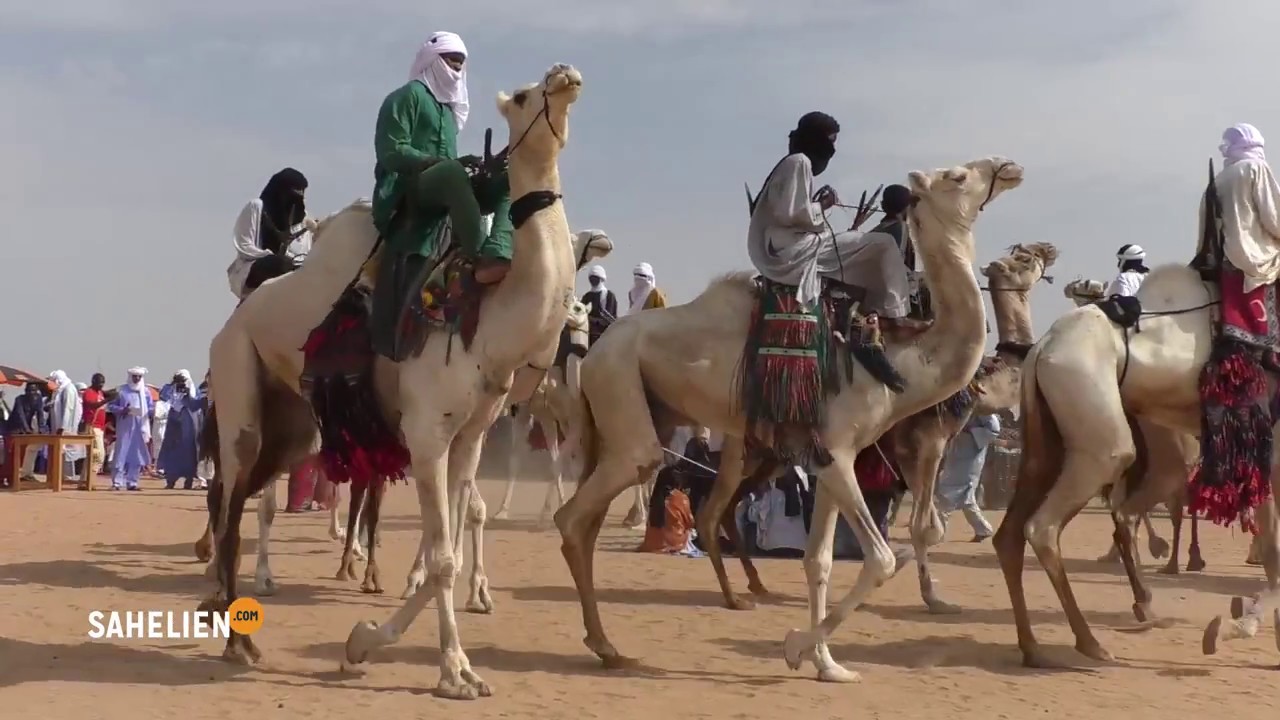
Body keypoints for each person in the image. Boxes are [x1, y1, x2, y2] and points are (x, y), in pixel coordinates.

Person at [370, 30, 513, 361]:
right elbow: (391, 151)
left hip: (443, 184)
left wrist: (472, 166)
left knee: (508, 178)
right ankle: (479, 256)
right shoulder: (407, 97)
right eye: (451, 60)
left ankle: (499, 250)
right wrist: (438, 163)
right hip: (409, 189)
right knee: (451, 173)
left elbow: (449, 165)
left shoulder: (448, 114)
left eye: (461, 63)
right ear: (432, 61)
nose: (456, 68)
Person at [747, 112, 922, 331]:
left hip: (790, 248)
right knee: (884, 244)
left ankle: (874, 311)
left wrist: (818, 206)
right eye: (831, 141)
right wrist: (824, 206)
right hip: (793, 253)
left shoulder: (792, 164)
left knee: (868, 246)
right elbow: (791, 214)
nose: (833, 149)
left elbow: (792, 212)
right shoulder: (799, 162)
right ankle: (894, 314)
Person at [1208, 123, 1280, 354]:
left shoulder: (1220, 178)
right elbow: (1273, 216)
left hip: (1229, 255)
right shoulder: (1255, 168)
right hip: (1257, 252)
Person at [227, 168, 313, 299]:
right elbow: (244, 245)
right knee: (278, 265)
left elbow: (304, 250)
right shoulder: (257, 207)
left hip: (290, 271)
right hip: (254, 267)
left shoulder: (302, 219)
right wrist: (270, 257)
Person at [936, 413, 1002, 541]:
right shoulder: (959, 406)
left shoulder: (984, 411)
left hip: (970, 458)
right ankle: (983, 529)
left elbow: (994, 430)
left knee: (948, 496)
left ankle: (938, 532)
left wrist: (968, 431)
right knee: (967, 499)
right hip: (957, 454)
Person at [107, 367, 154, 491]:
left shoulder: (145, 392)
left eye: (139, 376)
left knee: (137, 454)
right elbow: (111, 406)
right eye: (135, 376)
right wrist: (123, 410)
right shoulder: (121, 390)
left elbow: (150, 408)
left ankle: (132, 482)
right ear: (130, 377)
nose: (137, 379)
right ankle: (117, 482)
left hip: (140, 427)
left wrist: (145, 411)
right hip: (125, 426)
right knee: (121, 452)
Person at [158, 370, 205, 489]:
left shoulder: (195, 391)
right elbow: (163, 396)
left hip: (188, 425)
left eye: (183, 380)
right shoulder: (170, 389)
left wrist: (188, 394)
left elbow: (195, 405)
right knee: (171, 450)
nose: (181, 383)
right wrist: (174, 384)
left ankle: (188, 481)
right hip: (173, 425)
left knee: (189, 451)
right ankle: (170, 480)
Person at [7, 382, 46, 480]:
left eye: (33, 390)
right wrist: (27, 429)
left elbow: (40, 414)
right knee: (13, 453)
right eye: (29, 390)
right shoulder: (19, 399)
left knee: (29, 449)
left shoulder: (38, 399)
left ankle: (26, 474)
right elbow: (21, 415)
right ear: (25, 391)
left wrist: (41, 428)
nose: (31, 393)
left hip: (27, 427)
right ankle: (12, 477)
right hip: (15, 427)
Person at [47, 370, 84, 471]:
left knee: (67, 451)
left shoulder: (69, 389)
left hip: (66, 428)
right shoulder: (59, 390)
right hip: (58, 427)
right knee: (60, 451)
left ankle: (66, 476)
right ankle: (59, 475)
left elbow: (68, 409)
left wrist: (62, 427)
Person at [581, 264, 618, 345]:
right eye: (591, 278)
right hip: (587, 336)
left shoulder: (608, 295)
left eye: (595, 278)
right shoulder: (587, 296)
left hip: (604, 336)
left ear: (601, 279)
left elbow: (609, 319)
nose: (593, 280)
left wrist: (592, 320)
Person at [81, 373, 109, 475]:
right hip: (92, 426)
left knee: (93, 455)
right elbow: (92, 405)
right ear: (93, 381)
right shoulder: (89, 392)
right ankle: (89, 479)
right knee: (97, 455)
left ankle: (86, 480)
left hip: (100, 428)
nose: (101, 385)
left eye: (103, 383)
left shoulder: (100, 393)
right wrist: (107, 400)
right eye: (99, 382)